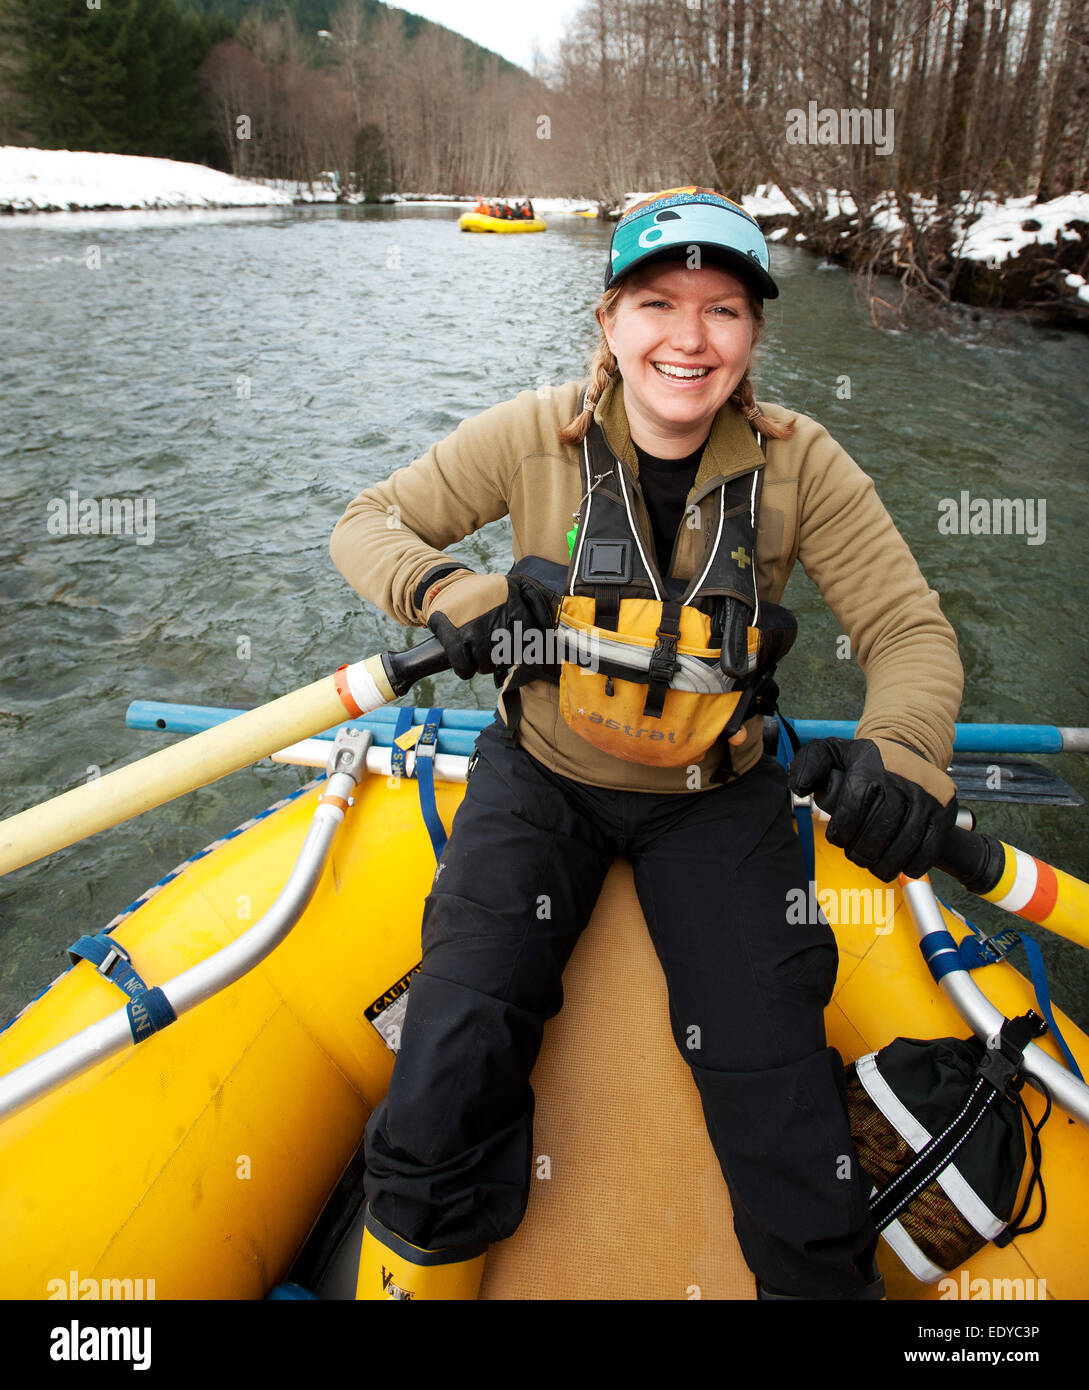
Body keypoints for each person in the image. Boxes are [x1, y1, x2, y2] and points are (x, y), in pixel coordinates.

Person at [329, 186, 963, 1301]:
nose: (688, 338)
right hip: (544, 776)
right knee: (453, 1043)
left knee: (777, 1082)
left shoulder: (800, 462)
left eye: (723, 309)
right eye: (659, 303)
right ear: (609, 321)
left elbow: (908, 629)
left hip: (716, 794)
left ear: (755, 336)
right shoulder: (532, 435)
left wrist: (901, 751)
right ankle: (425, 1245)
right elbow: (367, 521)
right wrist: (453, 589)